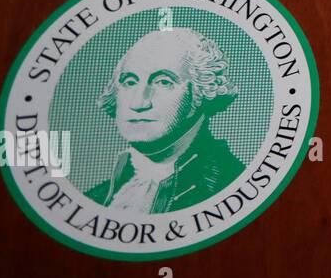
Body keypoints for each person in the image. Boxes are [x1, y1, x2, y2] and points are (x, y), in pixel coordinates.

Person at [87, 27, 244, 212]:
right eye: (130, 82)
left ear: (201, 91)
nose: (138, 103)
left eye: (163, 82)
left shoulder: (230, 187)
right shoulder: (94, 198)